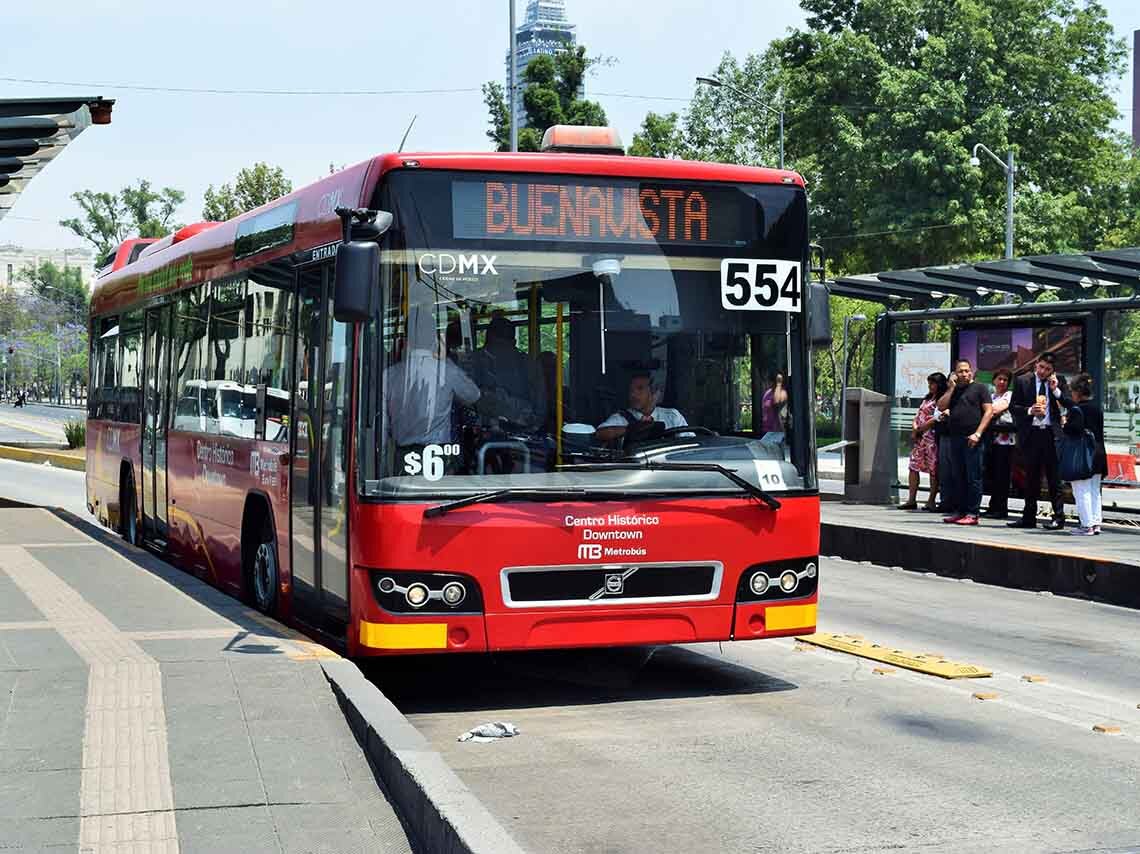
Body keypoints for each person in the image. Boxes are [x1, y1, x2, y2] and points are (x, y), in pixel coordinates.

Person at [383, 305, 481, 462]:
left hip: (401, 457)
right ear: (433, 339)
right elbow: (474, 395)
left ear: (406, 341)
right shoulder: (447, 370)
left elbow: (383, 425)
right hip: (439, 458)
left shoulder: (389, 375)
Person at [1008, 353, 1066, 530]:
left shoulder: (1058, 381)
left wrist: (1056, 390)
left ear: (1053, 370)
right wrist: (1029, 411)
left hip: (1051, 434)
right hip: (1031, 434)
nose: (1043, 372)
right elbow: (1013, 407)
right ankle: (1028, 517)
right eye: (1041, 367)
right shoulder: (1022, 381)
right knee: (1031, 477)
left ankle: (1058, 517)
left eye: (1048, 369)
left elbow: (1068, 402)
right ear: (1036, 365)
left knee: (1054, 478)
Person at [935, 359, 994, 525]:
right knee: (958, 476)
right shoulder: (953, 390)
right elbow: (940, 406)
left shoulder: (980, 388)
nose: (964, 374)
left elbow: (988, 412)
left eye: (967, 370)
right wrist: (951, 388)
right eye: (961, 371)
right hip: (955, 438)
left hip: (973, 438)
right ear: (955, 373)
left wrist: (978, 433)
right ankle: (960, 511)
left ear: (971, 371)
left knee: (973, 477)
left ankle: (973, 513)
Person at [469, 312, 545, 429]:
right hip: (522, 430)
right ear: (513, 339)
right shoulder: (529, 362)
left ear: (488, 336)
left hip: (482, 429)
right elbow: (540, 404)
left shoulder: (474, 359)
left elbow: (464, 398)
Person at [1061, 373, 1107, 535]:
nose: (1071, 395)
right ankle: (1095, 523)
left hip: (1083, 456)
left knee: (1081, 490)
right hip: (1099, 453)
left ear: (1077, 393)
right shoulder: (1096, 408)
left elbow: (1073, 430)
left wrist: (1064, 424)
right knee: (1094, 490)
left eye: (1072, 391)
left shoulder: (1077, 410)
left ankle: (1086, 525)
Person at [899, 372, 947, 511]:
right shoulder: (927, 398)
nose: (931, 386)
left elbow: (937, 417)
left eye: (933, 383)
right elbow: (918, 414)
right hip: (919, 438)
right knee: (913, 466)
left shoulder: (941, 399)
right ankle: (911, 499)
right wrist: (915, 427)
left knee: (933, 468)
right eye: (929, 383)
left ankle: (931, 500)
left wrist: (921, 428)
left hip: (931, 437)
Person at [596, 372, 688, 444]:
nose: (633, 394)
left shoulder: (672, 416)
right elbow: (600, 434)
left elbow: (690, 443)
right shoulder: (621, 418)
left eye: (640, 389)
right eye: (631, 390)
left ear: (655, 393)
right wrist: (632, 429)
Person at [984, 368, 1015, 518]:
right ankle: (993, 506)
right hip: (991, 440)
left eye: (1005, 380)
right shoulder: (991, 395)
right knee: (992, 475)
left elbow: (994, 410)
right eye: (999, 379)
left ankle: (1001, 509)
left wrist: (984, 412)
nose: (1001, 382)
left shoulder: (1009, 395)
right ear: (994, 380)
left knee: (1002, 476)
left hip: (1006, 442)